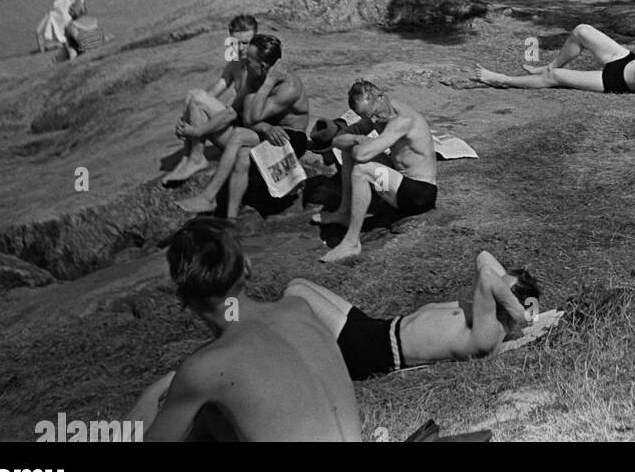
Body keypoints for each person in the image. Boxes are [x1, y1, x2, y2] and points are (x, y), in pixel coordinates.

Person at [127, 219, 361, 442]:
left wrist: (152, 393)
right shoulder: (300, 308)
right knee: (213, 416)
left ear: (184, 297)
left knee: (202, 416)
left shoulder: (204, 369)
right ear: (246, 266)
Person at [284, 250, 540, 381]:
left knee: (295, 291)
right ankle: (249, 323)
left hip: (372, 351)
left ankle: (268, 346)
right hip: (377, 328)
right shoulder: (491, 310)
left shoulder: (487, 334)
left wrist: (520, 312)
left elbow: (486, 275)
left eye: (502, 287)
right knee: (298, 283)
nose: (497, 283)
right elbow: (484, 258)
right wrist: (522, 307)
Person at [174, 33, 310, 218]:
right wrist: (197, 131)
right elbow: (239, 114)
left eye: (249, 61)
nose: (244, 62)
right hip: (262, 129)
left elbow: (253, 117)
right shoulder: (255, 75)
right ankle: (231, 218)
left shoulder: (289, 86)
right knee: (242, 155)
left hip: (289, 136)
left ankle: (209, 196)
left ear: (263, 66)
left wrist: (268, 83)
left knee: (238, 135)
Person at [476, 24, 635, 115]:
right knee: (581, 31)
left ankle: (503, 80)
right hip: (625, 57)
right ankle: (549, 63)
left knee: (555, 79)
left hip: (615, 80)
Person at [316, 81, 438, 263]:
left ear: (381, 97)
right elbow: (337, 140)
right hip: (398, 186)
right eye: (366, 117)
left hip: (419, 195)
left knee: (362, 169)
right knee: (350, 151)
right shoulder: (381, 113)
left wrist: (359, 143)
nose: (372, 121)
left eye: (372, 115)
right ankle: (344, 213)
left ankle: (352, 243)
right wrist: (358, 137)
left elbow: (362, 153)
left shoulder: (402, 120)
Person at [163, 15, 259, 182]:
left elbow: (232, 113)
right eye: (236, 43)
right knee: (192, 94)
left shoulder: (257, 69)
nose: (242, 48)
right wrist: (185, 117)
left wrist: (196, 130)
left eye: (247, 42)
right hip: (235, 129)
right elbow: (213, 92)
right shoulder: (235, 64)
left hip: (247, 139)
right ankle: (187, 158)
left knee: (198, 98)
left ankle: (197, 159)